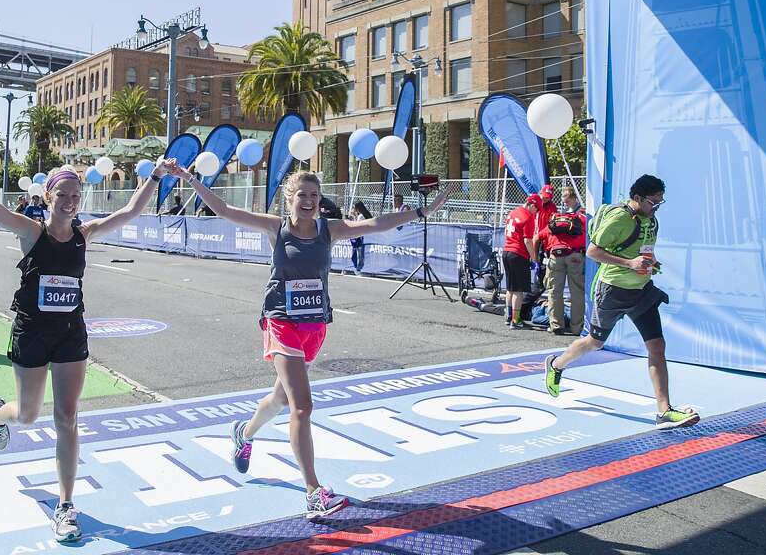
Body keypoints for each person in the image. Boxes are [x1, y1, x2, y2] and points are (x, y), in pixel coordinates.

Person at [173, 165, 450, 521]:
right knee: (301, 406)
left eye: (314, 196)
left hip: (314, 323)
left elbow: (376, 224)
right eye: (302, 195)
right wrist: (192, 180)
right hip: (281, 320)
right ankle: (313, 493)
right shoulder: (276, 227)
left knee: (280, 397)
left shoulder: (328, 230)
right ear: (290, 198)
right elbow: (225, 211)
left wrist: (423, 211)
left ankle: (244, 432)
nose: (308, 202)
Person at [0, 115, 175, 543]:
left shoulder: (85, 233)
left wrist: (154, 175)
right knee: (27, 415)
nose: (69, 200)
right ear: (47, 196)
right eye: (62, 193)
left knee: (67, 417)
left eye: (75, 195)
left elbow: (131, 209)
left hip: (70, 334)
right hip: (30, 331)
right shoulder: (31, 231)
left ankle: (65, 505)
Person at [544, 174, 699, 430]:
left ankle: (664, 411)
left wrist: (650, 262)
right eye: (652, 203)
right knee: (594, 343)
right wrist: (630, 263)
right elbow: (593, 251)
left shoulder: (651, 221)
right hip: (613, 291)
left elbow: (642, 250)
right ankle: (556, 364)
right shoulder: (619, 219)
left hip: (641, 291)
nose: (656, 208)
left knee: (657, 346)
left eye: (660, 203)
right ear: (637, 198)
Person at [542, 186, 587, 336]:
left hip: (556, 254)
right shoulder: (583, 216)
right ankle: (577, 327)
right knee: (577, 292)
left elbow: (542, 235)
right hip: (575, 255)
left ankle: (556, 324)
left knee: (554, 291)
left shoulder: (557, 217)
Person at [502, 194, 539, 329]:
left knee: (510, 288)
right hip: (518, 254)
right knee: (518, 290)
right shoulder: (528, 217)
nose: (537, 212)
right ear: (532, 205)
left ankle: (508, 316)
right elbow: (527, 241)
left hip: (506, 251)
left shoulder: (513, 212)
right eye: (537, 209)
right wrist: (534, 258)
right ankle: (516, 320)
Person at [347, 202, 371, 273]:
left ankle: (359, 268)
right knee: (360, 253)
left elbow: (357, 225)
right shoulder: (361, 215)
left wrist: (354, 217)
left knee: (359, 253)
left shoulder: (361, 216)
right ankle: (358, 267)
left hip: (360, 236)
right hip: (361, 236)